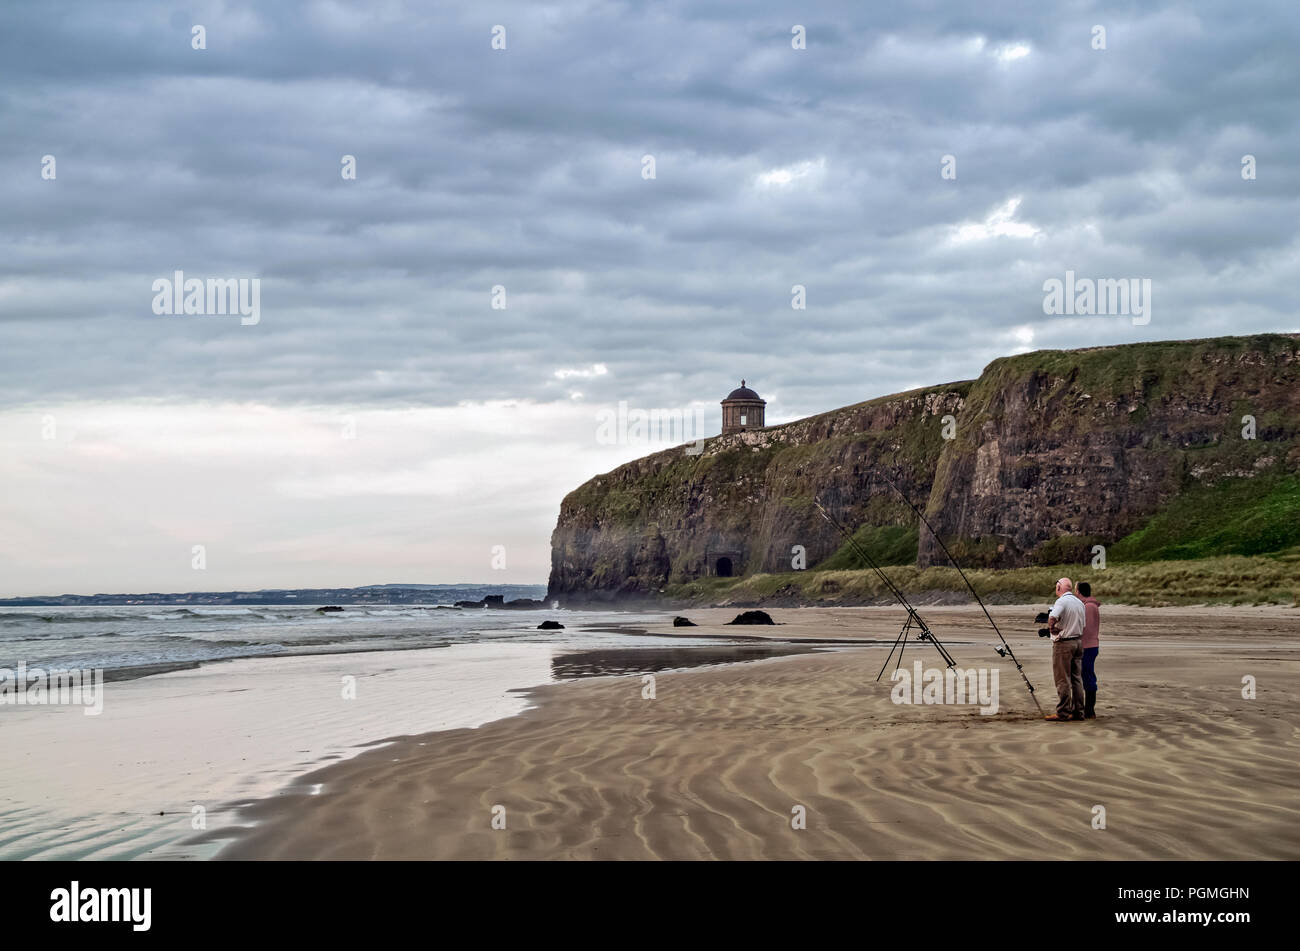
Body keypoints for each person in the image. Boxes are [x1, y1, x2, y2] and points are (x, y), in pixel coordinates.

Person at [1045, 577, 1086, 721]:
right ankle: (1079, 712)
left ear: (1058, 588)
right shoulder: (1080, 602)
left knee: (1062, 679)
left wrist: (1052, 628)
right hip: (1078, 642)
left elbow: (1053, 617)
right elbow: (1083, 625)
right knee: (1076, 679)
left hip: (1064, 644)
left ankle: (1063, 712)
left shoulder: (1061, 601)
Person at [1078, 581, 1101, 718]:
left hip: (1088, 646)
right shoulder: (1091, 606)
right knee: (1086, 676)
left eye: (1077, 591)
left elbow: (1085, 628)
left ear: (1080, 592)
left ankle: (1089, 710)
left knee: (1087, 677)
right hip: (1091, 645)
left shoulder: (1088, 607)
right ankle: (1088, 709)